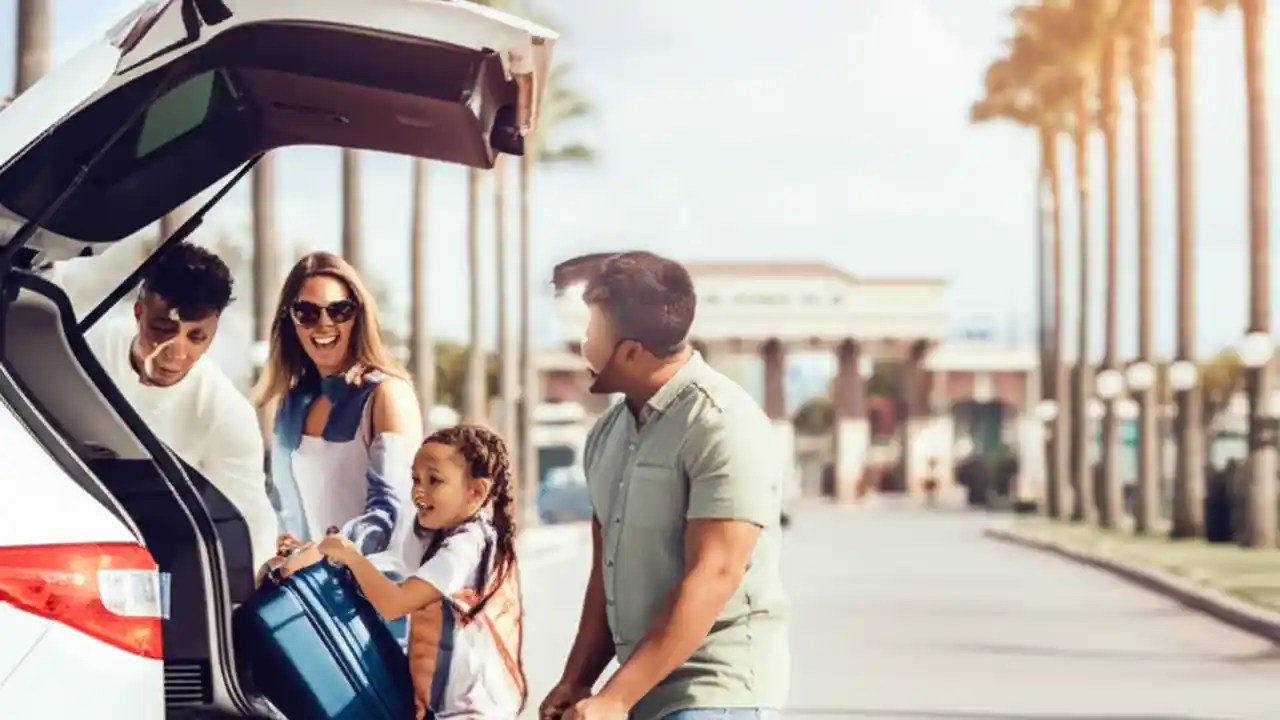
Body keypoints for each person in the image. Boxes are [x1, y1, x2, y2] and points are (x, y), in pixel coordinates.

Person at [541, 251, 790, 720]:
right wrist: (578, 680)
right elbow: (605, 575)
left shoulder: (724, 424)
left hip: (716, 693)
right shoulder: (606, 434)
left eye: (592, 332)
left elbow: (715, 573)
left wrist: (615, 697)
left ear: (631, 351)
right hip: (638, 691)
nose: (583, 344)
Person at [48, 239, 279, 574]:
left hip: (160, 565)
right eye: (162, 329)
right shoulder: (84, 354)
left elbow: (250, 531)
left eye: (196, 337)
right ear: (139, 311)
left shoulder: (227, 415)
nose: (175, 351)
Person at [318, 424, 526, 720]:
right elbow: (394, 566)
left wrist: (350, 556)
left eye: (434, 481)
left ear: (476, 491)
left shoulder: (469, 545)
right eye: (415, 479)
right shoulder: (445, 534)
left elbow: (395, 602)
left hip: (472, 712)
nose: (419, 491)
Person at [254, 251, 421, 570]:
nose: (325, 323)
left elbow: (392, 516)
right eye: (307, 312)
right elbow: (283, 512)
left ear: (358, 316)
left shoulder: (387, 395)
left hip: (380, 597)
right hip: (314, 591)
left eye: (340, 310)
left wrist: (322, 552)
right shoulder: (290, 405)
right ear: (291, 320)